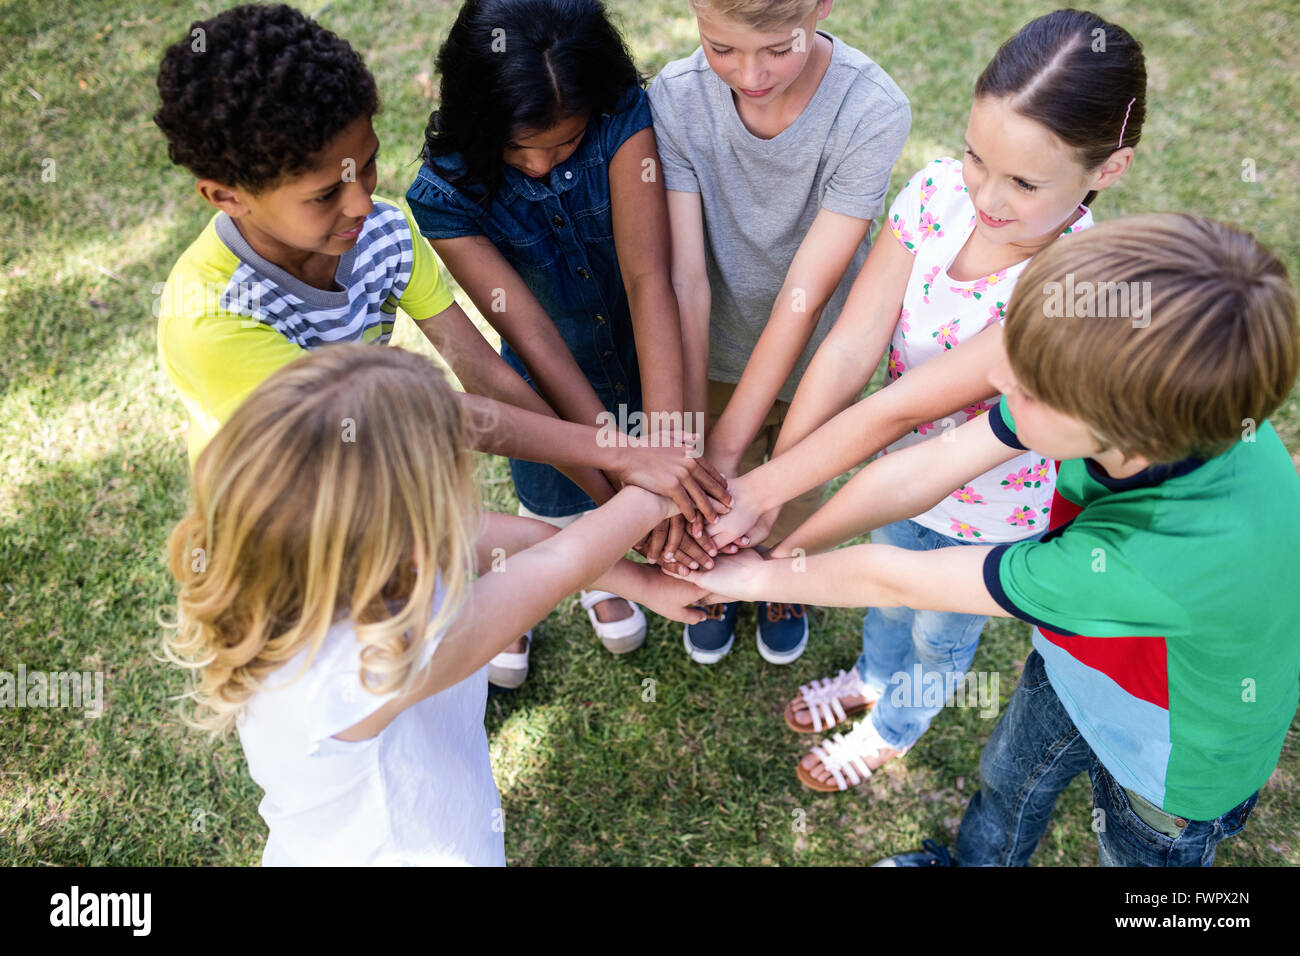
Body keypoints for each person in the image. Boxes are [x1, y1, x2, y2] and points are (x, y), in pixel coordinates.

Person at [672, 214, 1300, 866]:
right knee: (1005, 788)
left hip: (1172, 761)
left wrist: (752, 579)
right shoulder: (1120, 400)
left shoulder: (1152, 558)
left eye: (1026, 387)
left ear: (1130, 437)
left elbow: (899, 577)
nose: (1002, 383)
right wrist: (782, 547)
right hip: (1073, 666)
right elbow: (922, 467)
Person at [153, 4, 727, 689]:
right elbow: (434, 429)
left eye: (365, 166)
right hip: (293, 549)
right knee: (365, 705)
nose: (362, 202)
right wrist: (624, 483)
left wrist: (622, 493)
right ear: (226, 196)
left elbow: (484, 376)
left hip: (388, 502)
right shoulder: (213, 322)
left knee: (434, 679)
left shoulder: (381, 235)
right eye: (323, 193)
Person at [703, 9, 1143, 782]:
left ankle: (896, 724)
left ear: (1107, 170)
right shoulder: (937, 193)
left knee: (941, 635)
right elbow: (848, 346)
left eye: (1025, 182)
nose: (989, 195)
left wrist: (770, 495)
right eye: (978, 156)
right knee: (886, 592)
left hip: (990, 511)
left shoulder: (1070, 285)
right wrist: (774, 490)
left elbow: (901, 406)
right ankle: (872, 679)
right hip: (897, 481)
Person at [163, 344, 706, 866]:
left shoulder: (306, 563)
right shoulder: (361, 665)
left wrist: (640, 583)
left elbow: (498, 539)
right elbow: (556, 564)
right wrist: (655, 490)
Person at [407, 0, 728, 685]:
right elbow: (530, 337)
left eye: (562, 143)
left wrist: (664, 452)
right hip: (548, 388)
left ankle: (596, 572)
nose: (538, 162)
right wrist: (621, 495)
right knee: (556, 501)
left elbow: (650, 282)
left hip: (652, 359)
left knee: (632, 494)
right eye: (517, 146)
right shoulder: (443, 192)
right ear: (478, 118)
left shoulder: (621, 116)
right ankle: (576, 568)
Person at [648, 0, 910, 665]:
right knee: (712, 483)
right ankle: (721, 567)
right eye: (721, 48)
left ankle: (781, 573)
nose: (749, 74)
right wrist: (700, 449)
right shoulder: (676, 99)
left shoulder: (871, 109)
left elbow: (805, 291)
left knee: (794, 486)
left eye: (776, 50)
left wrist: (733, 455)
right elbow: (686, 280)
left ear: (822, 7)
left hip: (820, 356)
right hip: (712, 348)